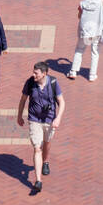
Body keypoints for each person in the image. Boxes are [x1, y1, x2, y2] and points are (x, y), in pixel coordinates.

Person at [17, 61, 65, 195]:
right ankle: (38, 181)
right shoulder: (30, 82)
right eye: (33, 72)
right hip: (34, 119)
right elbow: (23, 100)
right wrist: (19, 116)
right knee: (37, 148)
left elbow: (61, 102)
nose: (33, 75)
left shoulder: (53, 83)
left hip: (49, 120)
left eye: (36, 73)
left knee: (47, 143)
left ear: (44, 74)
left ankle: (46, 161)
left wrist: (58, 118)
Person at [67, 0, 103, 81]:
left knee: (79, 50)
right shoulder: (102, 2)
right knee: (95, 52)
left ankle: (73, 71)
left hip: (85, 32)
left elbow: (79, 16)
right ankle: (92, 75)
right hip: (96, 31)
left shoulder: (82, 3)